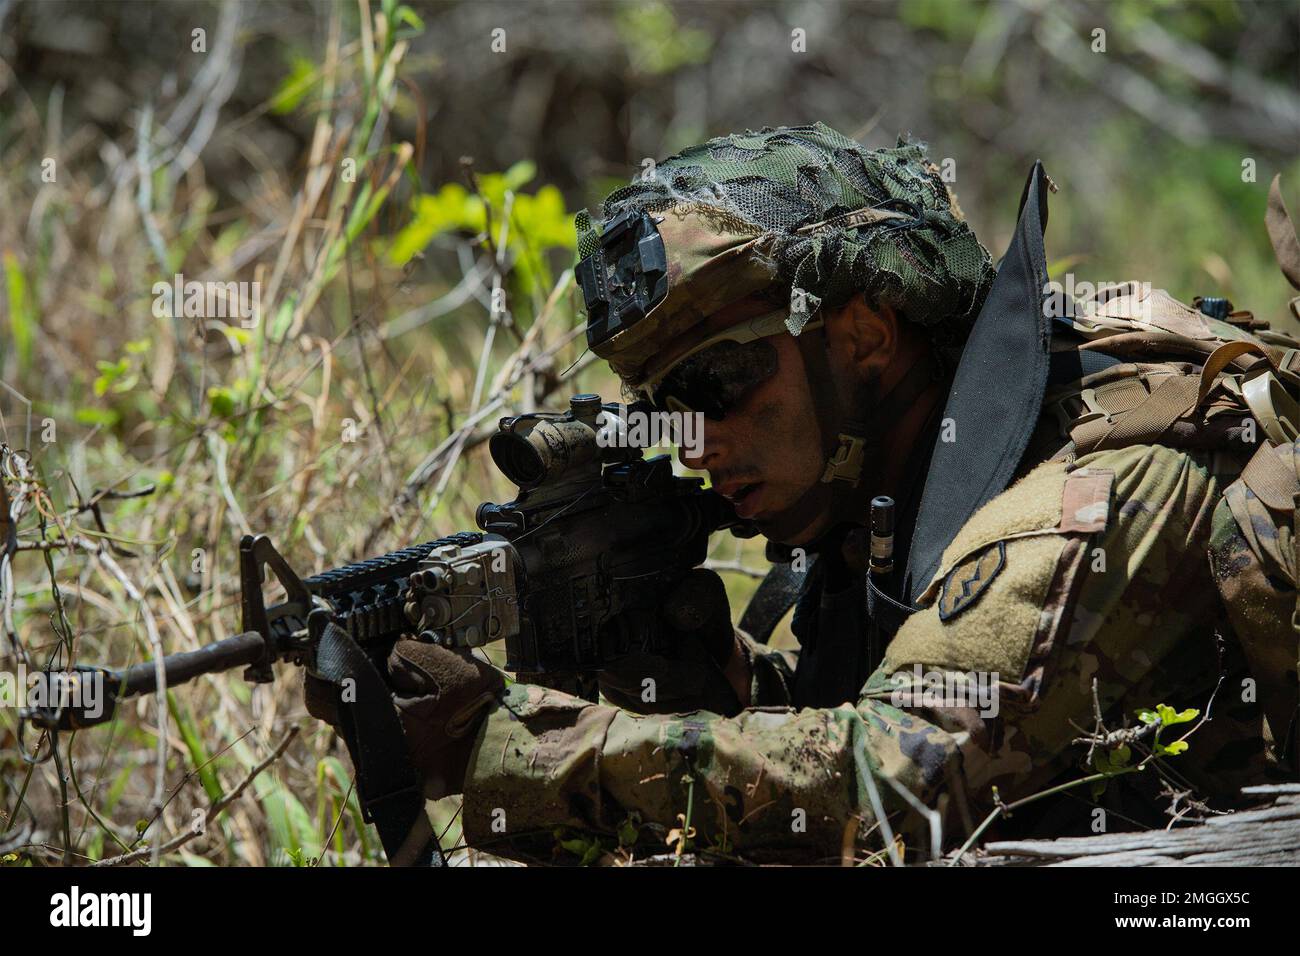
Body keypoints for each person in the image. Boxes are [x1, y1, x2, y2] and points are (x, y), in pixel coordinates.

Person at [311, 123, 1300, 864]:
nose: (693, 442)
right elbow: (883, 711)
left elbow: (890, 789)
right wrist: (695, 675)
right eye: (660, 406)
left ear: (865, 334)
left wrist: (513, 750)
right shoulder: (901, 481)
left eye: (716, 386)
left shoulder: (1068, 502)